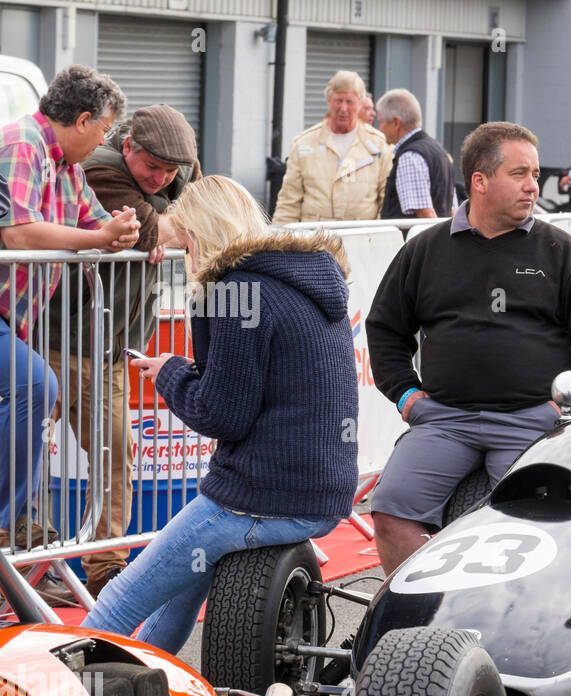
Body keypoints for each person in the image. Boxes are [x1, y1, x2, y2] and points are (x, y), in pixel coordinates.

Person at [83, 175, 358, 653]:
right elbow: (260, 386)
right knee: (178, 595)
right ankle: (145, 695)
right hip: (325, 496)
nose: (185, 257)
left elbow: (222, 415)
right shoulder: (301, 277)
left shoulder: (234, 290)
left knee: (118, 603)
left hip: (260, 496)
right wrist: (187, 370)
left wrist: (170, 373)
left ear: (200, 235)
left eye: (185, 242)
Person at [366, 122, 571, 574]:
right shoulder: (425, 250)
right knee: (389, 509)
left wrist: (562, 411)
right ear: (479, 182)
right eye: (519, 173)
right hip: (444, 419)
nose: (533, 186)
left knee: (542, 527)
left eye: (536, 174)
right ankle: (423, 625)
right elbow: (385, 327)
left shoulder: (561, 252)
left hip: (533, 421)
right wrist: (406, 394)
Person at [49, 104, 201, 596]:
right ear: (128, 146)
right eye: (151, 167)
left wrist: (163, 218)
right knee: (20, 450)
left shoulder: (172, 175)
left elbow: (193, 216)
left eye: (170, 171)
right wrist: (163, 224)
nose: (160, 178)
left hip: (109, 347)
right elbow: (164, 231)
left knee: (116, 452)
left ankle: (106, 569)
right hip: (55, 339)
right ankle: (19, 552)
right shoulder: (100, 168)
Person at [0, 65, 140, 553]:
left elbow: (98, 224)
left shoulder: (69, 167)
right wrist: (100, 237)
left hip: (14, 320)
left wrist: (124, 230)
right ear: (82, 120)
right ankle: (9, 519)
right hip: (10, 319)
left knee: (34, 392)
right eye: (105, 129)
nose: (105, 139)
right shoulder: (22, 144)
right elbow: (17, 233)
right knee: (36, 385)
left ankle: (17, 523)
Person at [272, 70, 392, 223]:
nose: (343, 108)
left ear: (360, 104)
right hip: (314, 240)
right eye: (338, 101)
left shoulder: (379, 145)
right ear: (329, 101)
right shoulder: (304, 143)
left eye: (349, 102)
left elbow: (385, 201)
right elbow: (288, 202)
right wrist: (280, 241)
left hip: (362, 239)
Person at [374, 88, 455, 218]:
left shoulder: (409, 157)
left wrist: (435, 238)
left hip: (412, 239)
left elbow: (426, 215)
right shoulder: (440, 151)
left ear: (396, 123)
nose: (380, 128)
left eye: (382, 122)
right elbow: (452, 210)